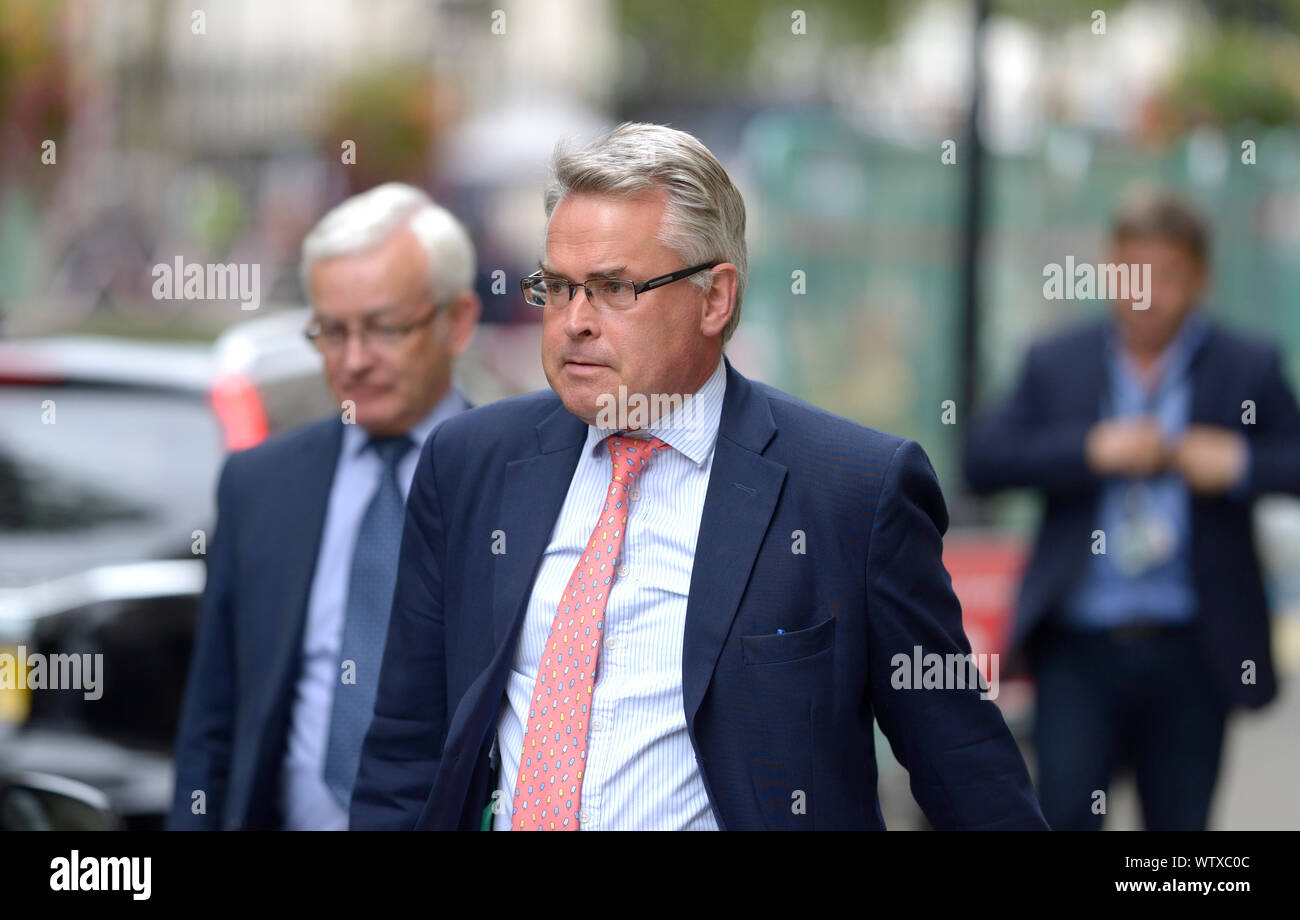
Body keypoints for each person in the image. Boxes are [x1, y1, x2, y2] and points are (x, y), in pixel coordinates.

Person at [349, 124, 1046, 831]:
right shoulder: (470, 464)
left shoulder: (850, 491)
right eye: (557, 288)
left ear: (714, 299)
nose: (573, 322)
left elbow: (966, 769)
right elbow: (406, 752)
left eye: (614, 289)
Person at [964, 187, 1300, 830]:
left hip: (1193, 649)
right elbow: (984, 458)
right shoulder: (1058, 361)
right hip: (1080, 648)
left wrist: (1239, 464)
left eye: (1167, 276)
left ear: (1200, 277)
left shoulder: (1246, 366)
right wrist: (1089, 450)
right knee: (1063, 812)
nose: (1146, 296)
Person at [168, 183, 481, 830]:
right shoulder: (261, 484)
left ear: (459, 321)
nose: (355, 360)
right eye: (331, 332)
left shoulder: (511, 484)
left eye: (386, 329)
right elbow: (213, 719)